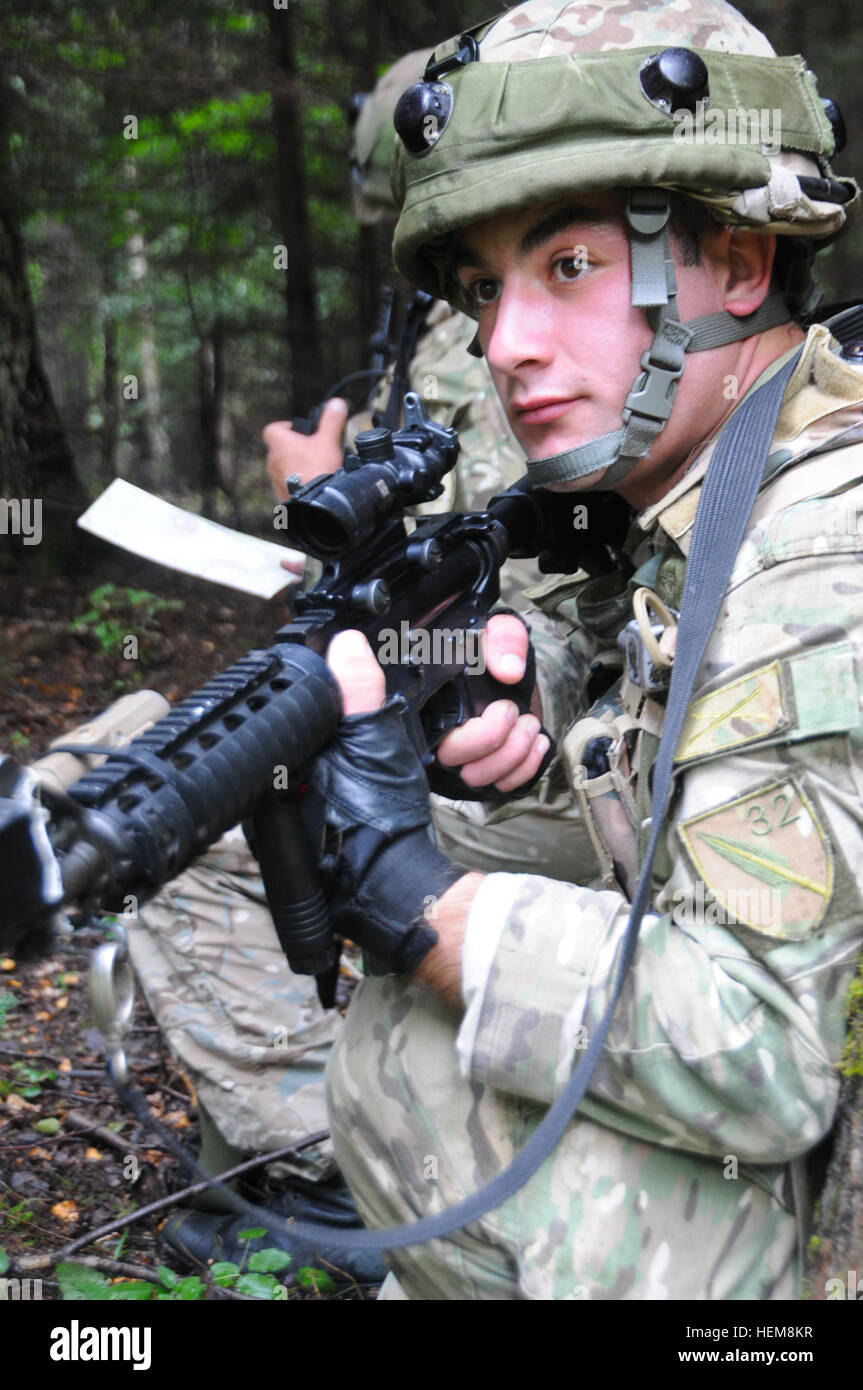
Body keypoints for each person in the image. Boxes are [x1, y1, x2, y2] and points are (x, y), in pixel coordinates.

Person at [307, 0, 863, 1300]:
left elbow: (760, 1051)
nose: (503, 344)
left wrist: (413, 898)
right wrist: (545, 720)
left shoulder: (815, 550)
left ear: (737, 263)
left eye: (566, 265)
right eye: (482, 289)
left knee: (417, 1039)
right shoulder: (715, 486)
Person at [122, 42, 594, 1280]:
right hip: (484, 692)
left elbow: (535, 564)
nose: (509, 329)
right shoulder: (462, 325)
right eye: (478, 281)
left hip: (541, 752)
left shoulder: (500, 340)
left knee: (205, 806)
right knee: (175, 756)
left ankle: (333, 1171)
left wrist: (324, 502)